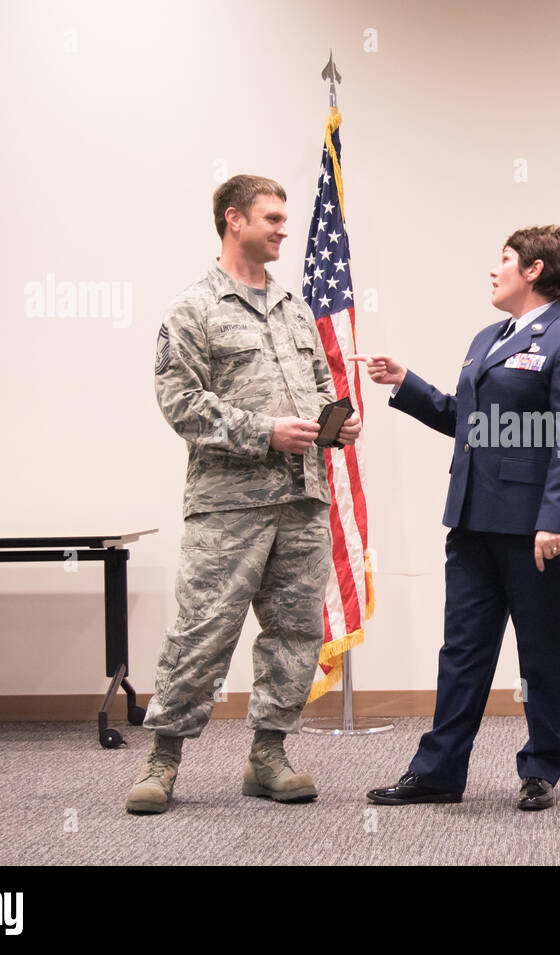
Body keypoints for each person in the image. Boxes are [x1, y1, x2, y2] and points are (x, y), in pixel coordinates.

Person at [126, 174, 361, 815]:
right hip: (229, 505)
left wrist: (336, 424)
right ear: (234, 220)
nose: (285, 228)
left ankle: (269, 756)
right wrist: (265, 432)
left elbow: (317, 386)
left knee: (294, 633)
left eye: (286, 219)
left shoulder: (294, 310)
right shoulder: (193, 309)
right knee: (202, 632)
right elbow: (180, 402)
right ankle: (162, 760)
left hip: (303, 497)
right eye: (273, 218)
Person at [356, 225, 560, 812]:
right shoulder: (488, 337)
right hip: (472, 521)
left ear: (536, 270)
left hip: (534, 528)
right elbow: (467, 420)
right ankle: (439, 770)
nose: (494, 271)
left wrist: (556, 519)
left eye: (505, 260)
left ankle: (541, 768)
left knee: (540, 651)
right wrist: (406, 384)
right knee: (462, 651)